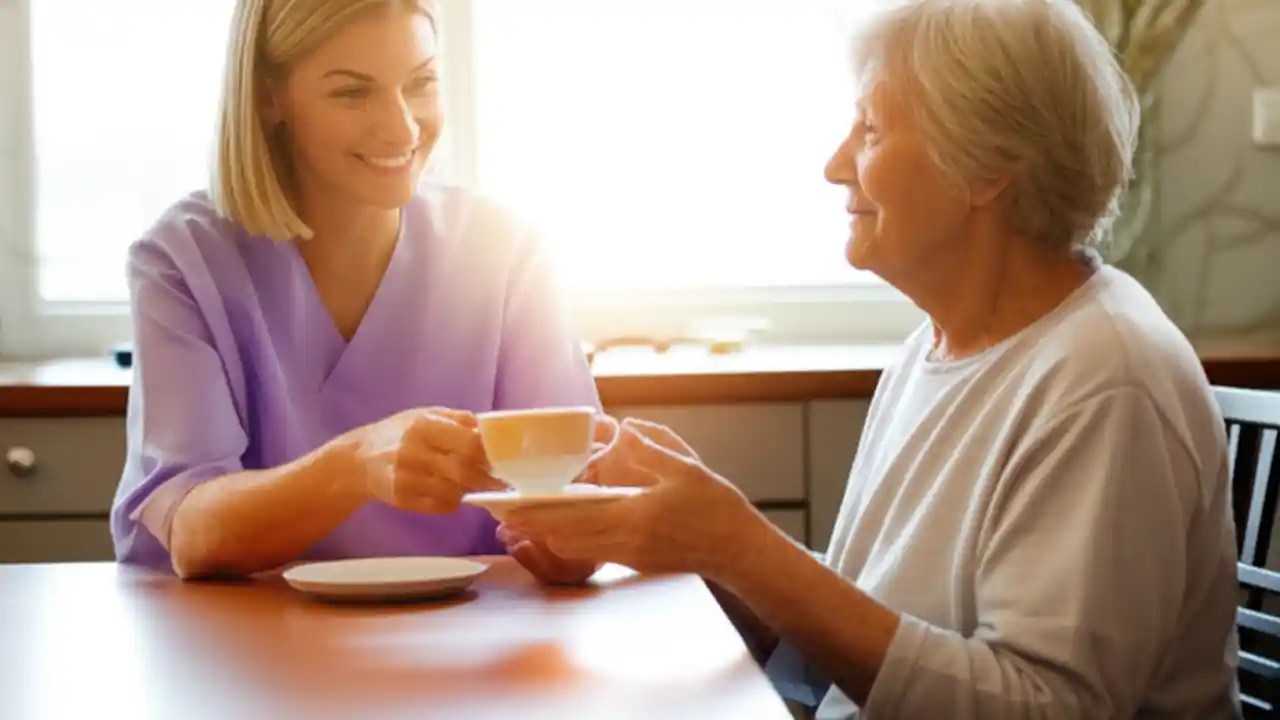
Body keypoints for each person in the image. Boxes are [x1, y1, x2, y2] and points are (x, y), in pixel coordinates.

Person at [502, 0, 1241, 716]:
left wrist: (743, 545)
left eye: (872, 129)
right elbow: (852, 649)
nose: (834, 165)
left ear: (989, 167)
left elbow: (1049, 708)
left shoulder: (1104, 378)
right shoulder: (935, 347)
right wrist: (686, 542)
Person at [110, 0, 597, 586]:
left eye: (420, 83)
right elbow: (192, 531)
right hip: (236, 645)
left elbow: (581, 499)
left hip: (460, 639)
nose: (402, 128)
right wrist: (358, 464)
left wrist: (572, 543)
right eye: (352, 93)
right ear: (270, 97)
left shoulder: (506, 250)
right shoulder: (183, 260)